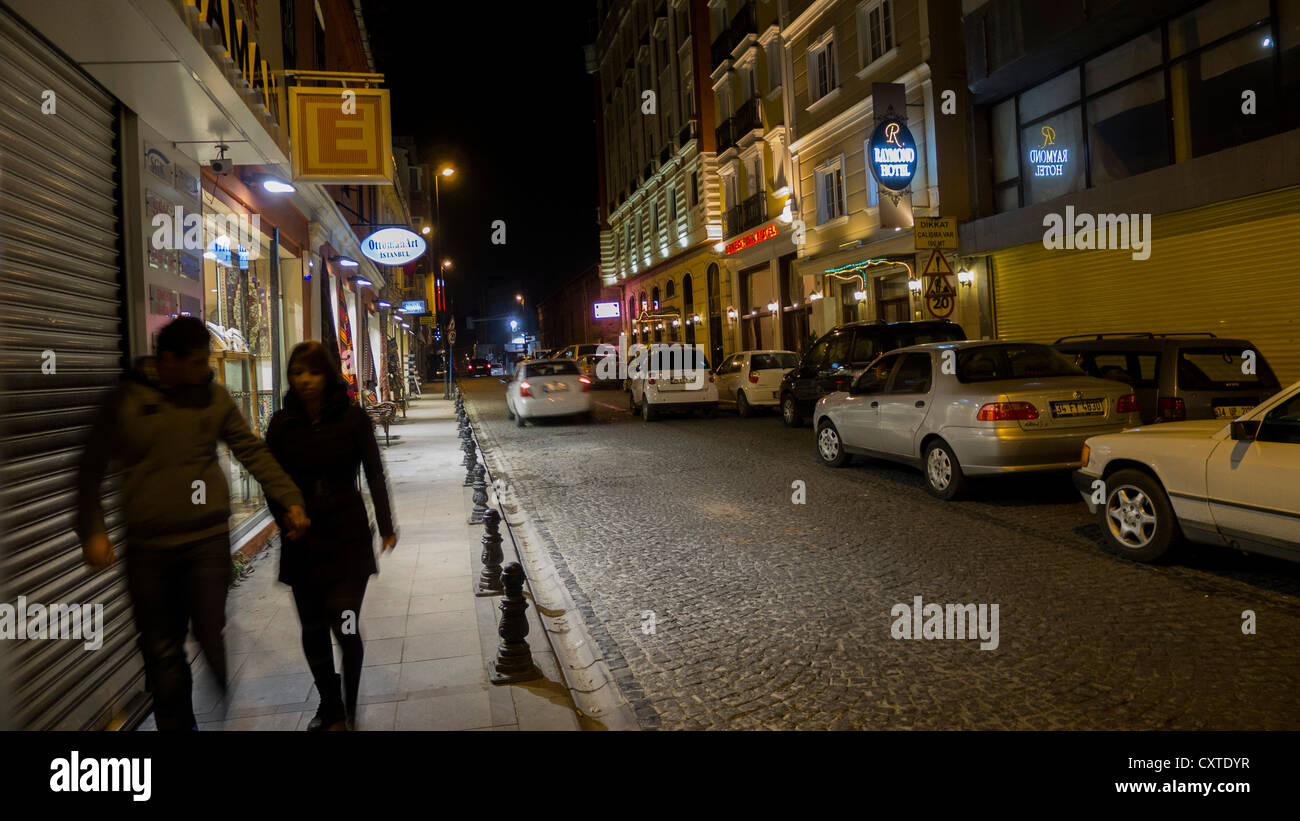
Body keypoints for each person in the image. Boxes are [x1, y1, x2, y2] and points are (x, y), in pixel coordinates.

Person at [77, 316, 310, 730]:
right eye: (199, 361)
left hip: (206, 542)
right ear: (168, 360)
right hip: (148, 550)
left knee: (208, 628)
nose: (208, 369)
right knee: (162, 651)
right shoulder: (125, 401)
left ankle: (215, 681)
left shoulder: (213, 398)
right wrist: (93, 529)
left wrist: (289, 497)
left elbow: (250, 451)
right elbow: (89, 469)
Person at [265, 341, 397, 731]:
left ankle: (350, 704)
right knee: (311, 627)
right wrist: (285, 518)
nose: (304, 380)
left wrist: (387, 527)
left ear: (327, 374)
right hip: (302, 540)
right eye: (297, 373)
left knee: (345, 622)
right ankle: (330, 704)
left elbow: (374, 471)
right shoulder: (282, 424)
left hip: (347, 538)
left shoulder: (353, 418)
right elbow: (270, 480)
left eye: (312, 372)